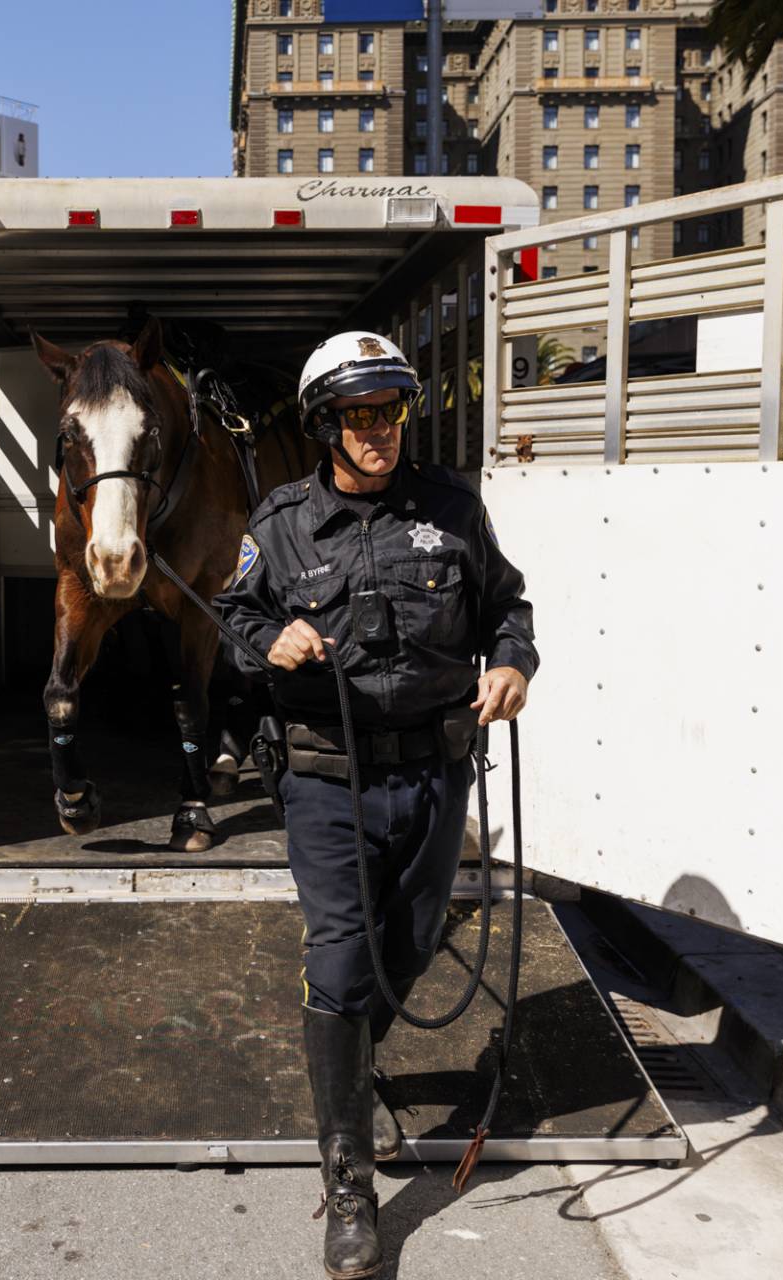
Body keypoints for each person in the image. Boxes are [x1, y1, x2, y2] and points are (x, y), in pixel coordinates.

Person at [214, 331, 538, 1279]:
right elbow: (232, 619)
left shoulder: (450, 511)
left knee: (411, 946)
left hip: (437, 775)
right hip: (326, 782)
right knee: (345, 959)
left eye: (389, 411)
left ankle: (350, 1071)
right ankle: (350, 1183)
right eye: (358, 415)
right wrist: (269, 642)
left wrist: (514, 662)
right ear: (325, 425)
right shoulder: (278, 524)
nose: (378, 431)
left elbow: (508, 607)